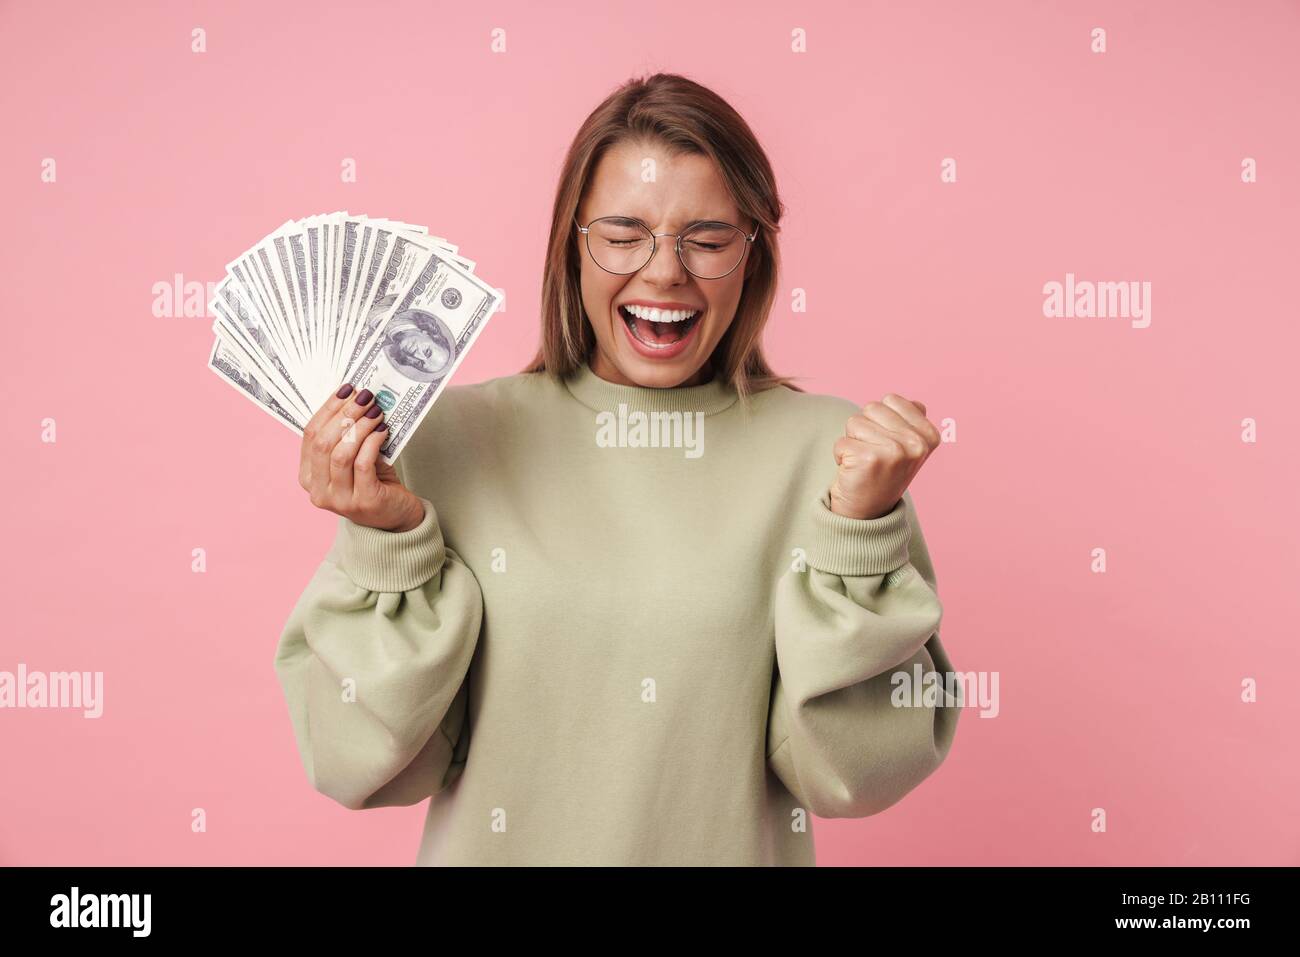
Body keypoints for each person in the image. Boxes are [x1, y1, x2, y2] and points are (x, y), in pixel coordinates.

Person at [273, 72, 960, 866]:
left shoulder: (834, 458)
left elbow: (851, 777)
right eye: (624, 233)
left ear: (752, 253)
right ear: (574, 244)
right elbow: (357, 760)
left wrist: (862, 539)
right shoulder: (448, 439)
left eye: (705, 238)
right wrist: (386, 541)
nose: (665, 272)